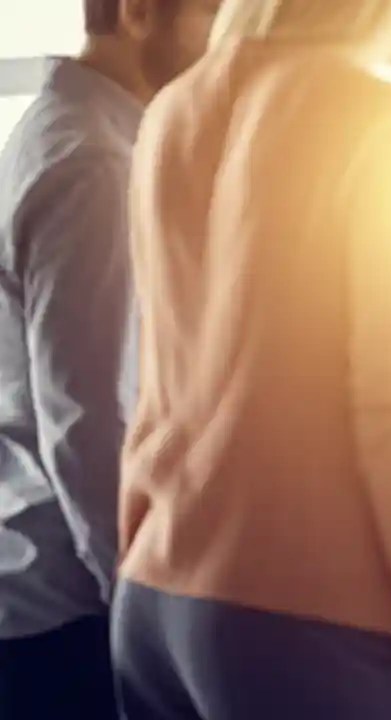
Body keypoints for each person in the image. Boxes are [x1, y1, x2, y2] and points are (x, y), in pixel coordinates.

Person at [109, 1, 391, 719]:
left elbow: (160, 373)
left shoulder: (170, 112)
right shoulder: (376, 118)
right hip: (295, 623)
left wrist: (141, 558)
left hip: (154, 602)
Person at [0, 1, 219, 718]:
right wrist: (148, 618)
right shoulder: (96, 164)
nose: (226, 38)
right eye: (213, 10)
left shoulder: (61, 132)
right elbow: (90, 423)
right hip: (70, 618)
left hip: (45, 601)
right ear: (137, 12)